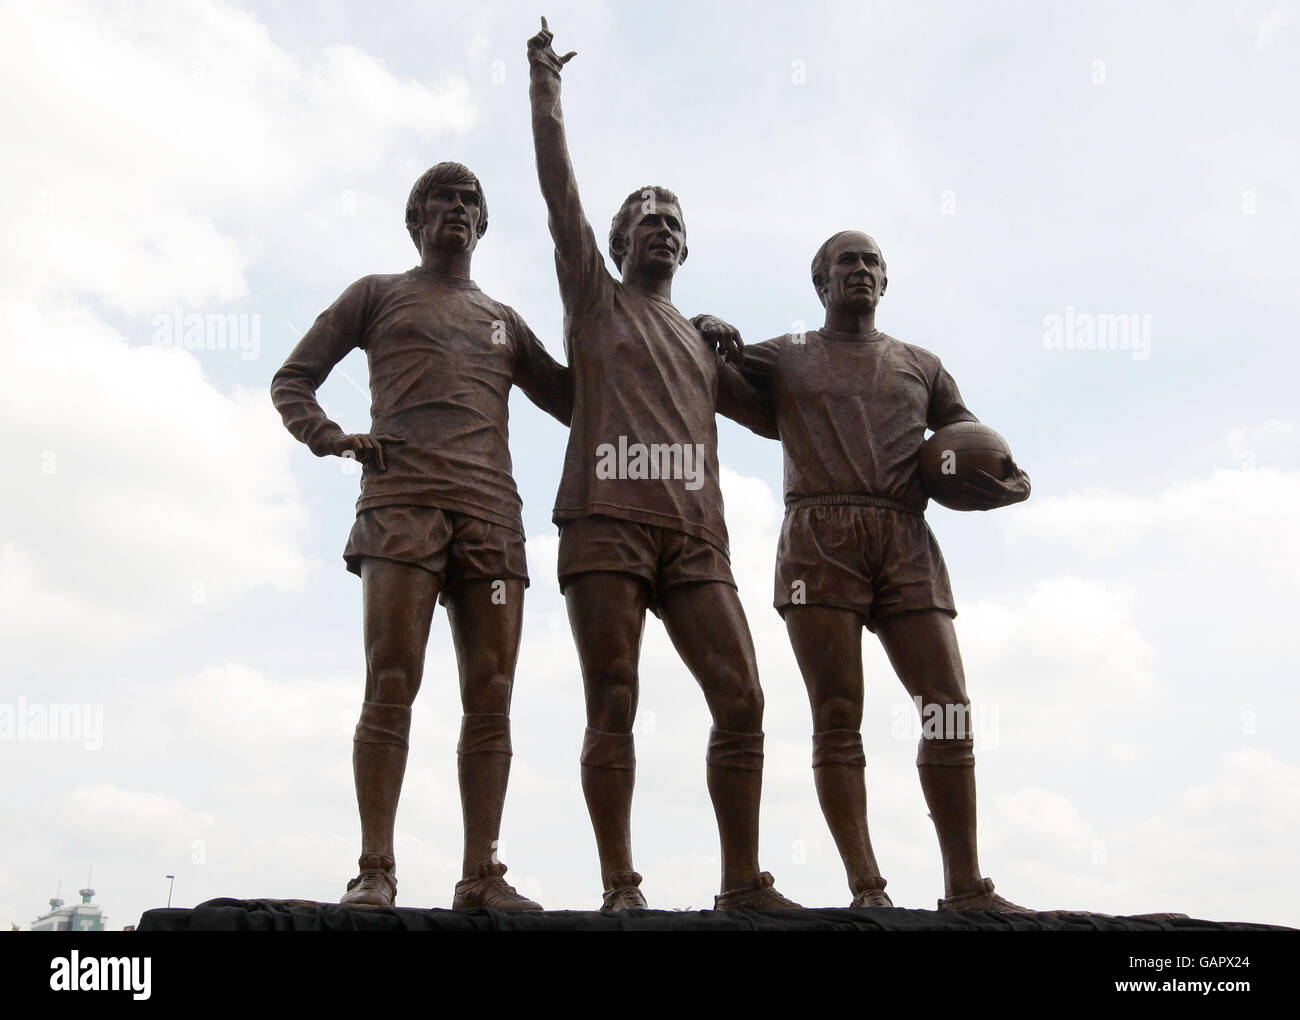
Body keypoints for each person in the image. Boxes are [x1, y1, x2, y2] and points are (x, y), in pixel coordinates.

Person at [526, 18, 798, 911]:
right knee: (614, 698)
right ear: (614, 245)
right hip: (604, 520)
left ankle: (740, 884)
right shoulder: (595, 300)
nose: (660, 227)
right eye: (643, 218)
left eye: (673, 220)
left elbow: (779, 418)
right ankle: (619, 884)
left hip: (696, 538)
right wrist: (546, 95)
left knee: (745, 700)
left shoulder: (704, 341)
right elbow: (560, 193)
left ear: (687, 246)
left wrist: (743, 345)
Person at [697, 229, 1031, 910]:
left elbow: (971, 442)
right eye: (844, 261)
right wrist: (704, 329)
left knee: (948, 708)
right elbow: (711, 375)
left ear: (885, 281)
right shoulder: (790, 354)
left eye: (870, 261)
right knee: (838, 712)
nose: (859, 269)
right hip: (819, 534)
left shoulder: (920, 364)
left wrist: (1004, 480)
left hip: (904, 533)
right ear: (820, 284)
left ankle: (965, 884)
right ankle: (867, 886)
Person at [270, 161, 571, 911]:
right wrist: (330, 436)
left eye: (471, 200)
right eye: (443, 199)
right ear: (416, 220)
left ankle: (482, 873)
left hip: (492, 516)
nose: (458, 209)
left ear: (483, 223)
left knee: (492, 694)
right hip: (402, 505)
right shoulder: (377, 294)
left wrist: (647, 342)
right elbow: (293, 378)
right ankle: (375, 867)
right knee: (392, 681)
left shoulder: (503, 318)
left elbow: (574, 400)